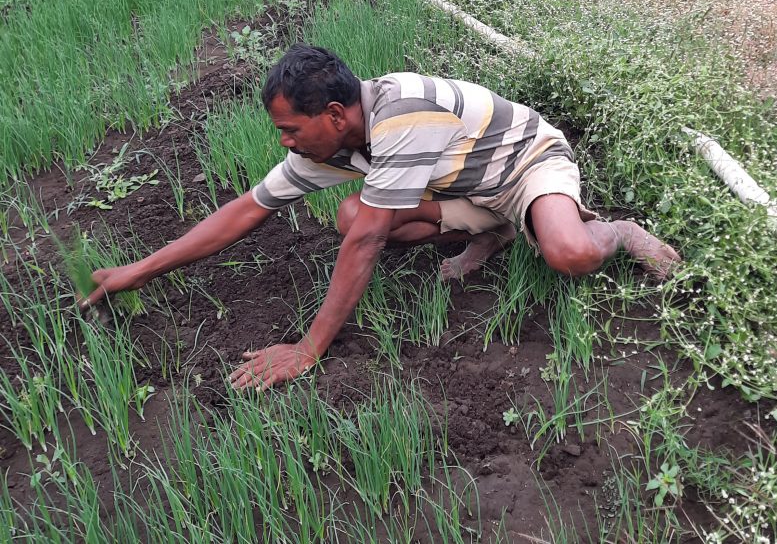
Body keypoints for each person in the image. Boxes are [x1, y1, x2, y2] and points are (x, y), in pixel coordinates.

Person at [82, 44, 681, 390]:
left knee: (570, 254)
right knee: (352, 214)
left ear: (334, 114)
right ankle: (497, 232)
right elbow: (247, 210)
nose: (285, 143)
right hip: (466, 190)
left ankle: (619, 232)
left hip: (524, 166)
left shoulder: (403, 115)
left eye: (290, 129)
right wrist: (138, 271)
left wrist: (308, 349)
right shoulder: (330, 144)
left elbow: (369, 241)